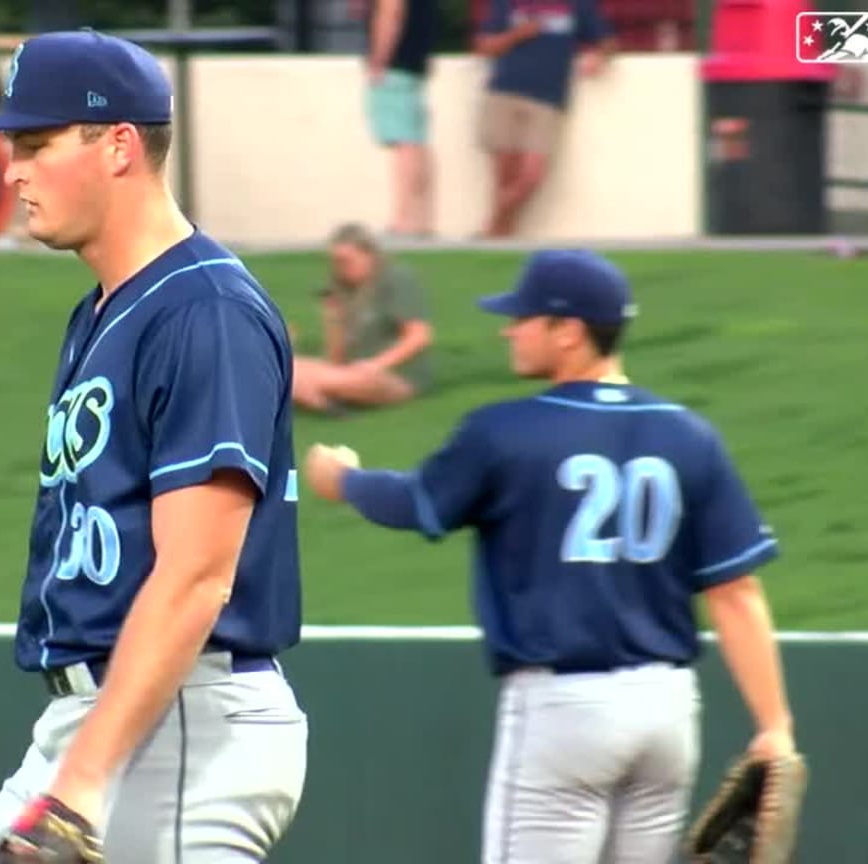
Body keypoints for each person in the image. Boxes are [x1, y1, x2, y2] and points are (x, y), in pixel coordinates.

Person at [0, 29, 309, 864]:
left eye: (34, 143)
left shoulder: (202, 311)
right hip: (105, 725)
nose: (12, 170)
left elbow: (195, 575)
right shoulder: (105, 313)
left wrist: (79, 789)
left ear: (117, 146)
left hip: (180, 725)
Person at [301, 250, 796, 863]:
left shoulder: (506, 432)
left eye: (524, 316)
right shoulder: (689, 435)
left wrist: (342, 479)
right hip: (667, 716)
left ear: (568, 331)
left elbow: (415, 503)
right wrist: (775, 726)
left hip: (566, 714)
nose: (509, 327)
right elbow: (736, 591)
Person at [474, 0, 615, 237]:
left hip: (547, 99)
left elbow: (608, 41)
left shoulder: (577, 4)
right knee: (503, 177)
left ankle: (491, 228)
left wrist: (599, 56)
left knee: (532, 176)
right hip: (504, 92)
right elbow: (484, 47)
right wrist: (517, 35)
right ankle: (501, 239)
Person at [291, 223, 434, 414]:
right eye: (336, 262)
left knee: (312, 378)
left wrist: (375, 365)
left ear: (369, 256)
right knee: (281, 368)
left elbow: (419, 336)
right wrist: (333, 319)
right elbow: (335, 358)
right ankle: (328, 403)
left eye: (346, 261)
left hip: (394, 374)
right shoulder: (341, 286)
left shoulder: (397, 279)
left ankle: (324, 399)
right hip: (348, 370)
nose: (340, 268)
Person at [364, 0, 439, 237]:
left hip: (395, 67)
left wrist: (378, 61)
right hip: (414, 66)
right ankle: (422, 219)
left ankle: (404, 221)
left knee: (404, 143)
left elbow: (390, 13)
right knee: (416, 143)